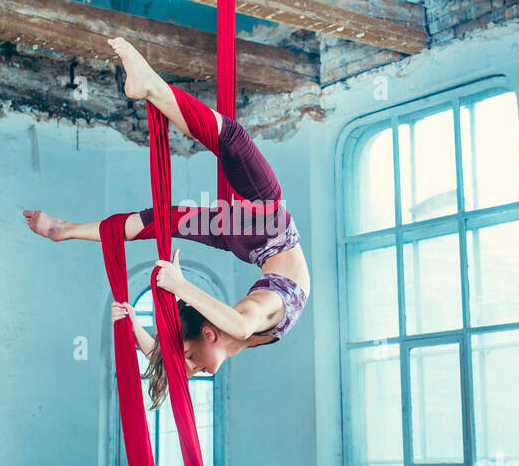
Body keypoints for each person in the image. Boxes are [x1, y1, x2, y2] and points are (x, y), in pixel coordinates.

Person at [24, 37, 310, 408]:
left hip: (265, 233)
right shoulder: (235, 331)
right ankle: (65, 229)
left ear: (209, 334)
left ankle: (151, 88)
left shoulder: (246, 320)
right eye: (188, 361)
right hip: (249, 239)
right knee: (167, 218)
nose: (188, 370)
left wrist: (149, 312)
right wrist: (168, 302)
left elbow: (212, 335)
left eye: (188, 359)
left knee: (214, 161)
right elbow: (190, 344)